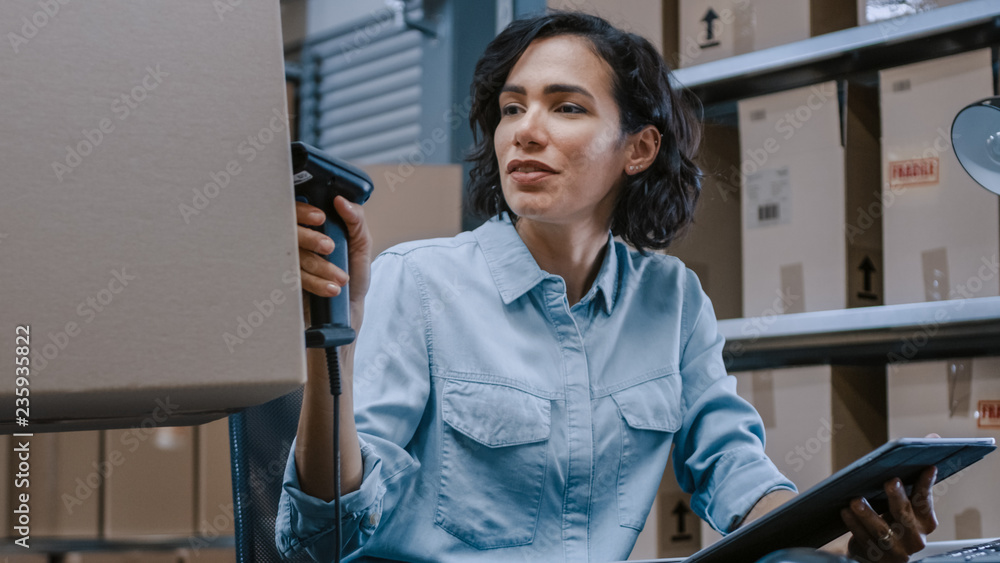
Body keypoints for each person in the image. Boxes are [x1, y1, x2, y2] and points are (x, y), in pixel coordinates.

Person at [276, 11, 938, 563]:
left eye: (565, 106)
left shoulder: (671, 301)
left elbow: (737, 475)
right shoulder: (418, 281)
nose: (525, 130)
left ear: (639, 148)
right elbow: (319, 539)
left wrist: (843, 538)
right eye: (512, 108)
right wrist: (331, 335)